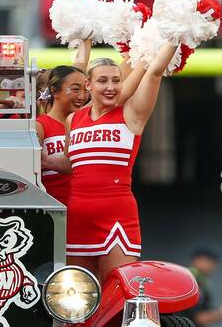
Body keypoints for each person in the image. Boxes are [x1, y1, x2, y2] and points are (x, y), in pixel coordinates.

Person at [64, 44, 178, 281]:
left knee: (114, 296)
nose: (111, 87)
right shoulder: (73, 119)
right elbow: (69, 162)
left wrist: (173, 33)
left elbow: (154, 72)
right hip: (76, 219)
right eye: (102, 81)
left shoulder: (131, 114)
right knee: (73, 298)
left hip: (116, 219)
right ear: (88, 85)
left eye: (116, 81)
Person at [36, 62, 87, 207]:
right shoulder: (39, 126)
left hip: (84, 205)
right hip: (53, 210)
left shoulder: (84, 122)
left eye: (85, 89)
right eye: (76, 89)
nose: (82, 96)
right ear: (54, 91)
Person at [181, 247, 222, 327]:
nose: (214, 265)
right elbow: (200, 318)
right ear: (198, 260)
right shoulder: (191, 281)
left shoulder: (200, 281)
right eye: (211, 261)